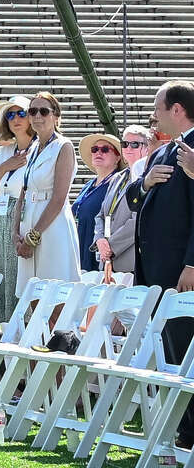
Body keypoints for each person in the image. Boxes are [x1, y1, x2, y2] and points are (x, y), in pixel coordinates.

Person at [126, 81, 194, 449]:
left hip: (182, 270)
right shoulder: (162, 152)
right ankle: (185, 429)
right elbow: (133, 201)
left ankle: (190, 432)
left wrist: (193, 263)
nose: (154, 114)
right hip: (155, 268)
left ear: (178, 109)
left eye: (159, 106)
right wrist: (145, 184)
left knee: (186, 351)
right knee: (171, 351)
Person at [13, 92, 80, 295]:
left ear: (56, 116)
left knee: (54, 295)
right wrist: (15, 232)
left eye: (44, 111)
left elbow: (59, 198)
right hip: (29, 222)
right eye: (32, 111)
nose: (37, 116)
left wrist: (33, 238)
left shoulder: (64, 146)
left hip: (52, 226)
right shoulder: (33, 148)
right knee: (31, 296)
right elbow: (23, 192)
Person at [0, 95, 35, 328]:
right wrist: (4, 167)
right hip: (0, 222)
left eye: (21, 113)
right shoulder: (5, 152)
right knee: (3, 289)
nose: (15, 119)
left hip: (23, 220)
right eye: (10, 115)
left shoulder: (41, 148)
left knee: (21, 287)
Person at [76, 134, 132, 274]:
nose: (98, 152)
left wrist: (106, 246)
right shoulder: (88, 185)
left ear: (118, 157)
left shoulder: (118, 185)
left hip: (101, 250)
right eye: (95, 149)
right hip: (81, 246)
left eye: (105, 149)